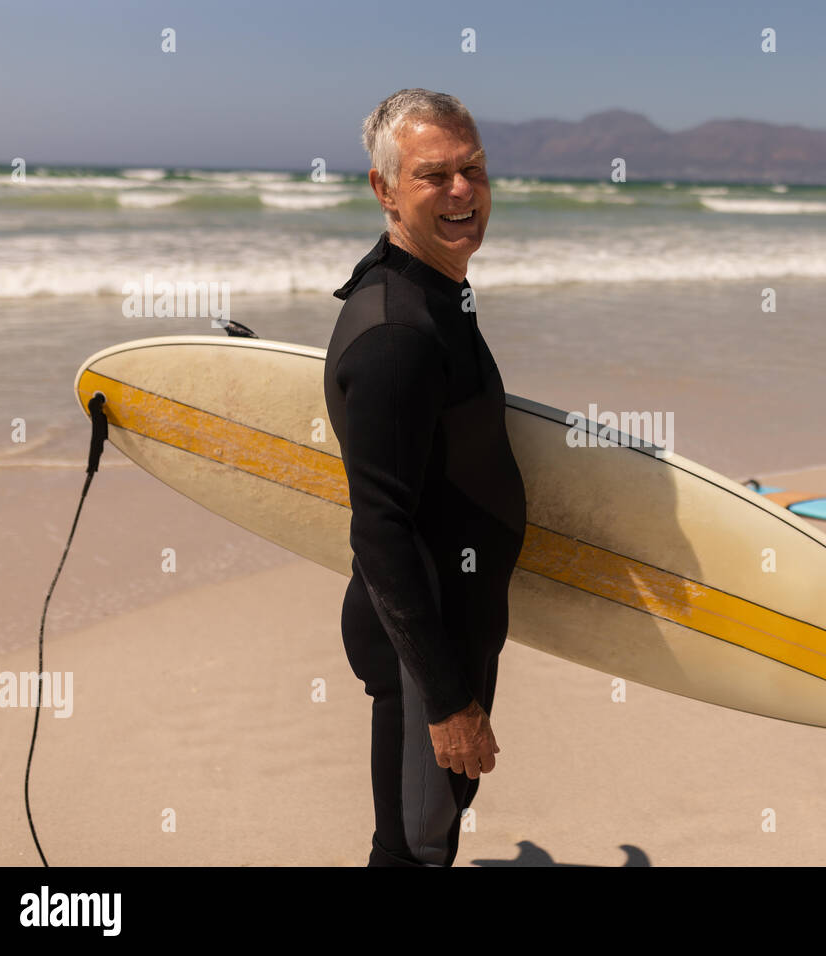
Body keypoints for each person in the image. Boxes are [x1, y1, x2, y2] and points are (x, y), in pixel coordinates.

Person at [323, 89, 527, 866]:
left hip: (451, 625)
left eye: (471, 169)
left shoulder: (433, 293)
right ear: (384, 190)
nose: (461, 191)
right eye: (433, 175)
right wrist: (446, 701)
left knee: (427, 837)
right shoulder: (397, 336)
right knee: (414, 847)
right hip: (423, 642)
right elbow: (380, 528)